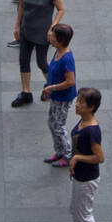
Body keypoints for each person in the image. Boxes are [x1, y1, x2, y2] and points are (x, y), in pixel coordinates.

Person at [10, 0, 64, 107]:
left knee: (41, 62)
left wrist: (53, 26)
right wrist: (17, 26)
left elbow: (61, 9)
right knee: (23, 60)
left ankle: (50, 86)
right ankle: (26, 92)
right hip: (26, 29)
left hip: (42, 32)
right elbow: (21, 5)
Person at [65, 87, 105, 222]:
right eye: (78, 100)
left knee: (85, 215)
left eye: (81, 102)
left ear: (91, 107)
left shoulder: (92, 130)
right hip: (79, 176)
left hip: (87, 179)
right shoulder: (82, 123)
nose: (77, 104)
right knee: (76, 211)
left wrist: (77, 158)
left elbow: (99, 157)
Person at [44, 22, 77, 168]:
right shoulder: (58, 52)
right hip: (55, 95)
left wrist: (52, 88)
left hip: (63, 98)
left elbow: (70, 81)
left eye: (53, 35)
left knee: (58, 126)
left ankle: (68, 154)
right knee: (52, 123)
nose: (50, 36)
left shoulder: (66, 58)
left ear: (61, 40)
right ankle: (59, 150)